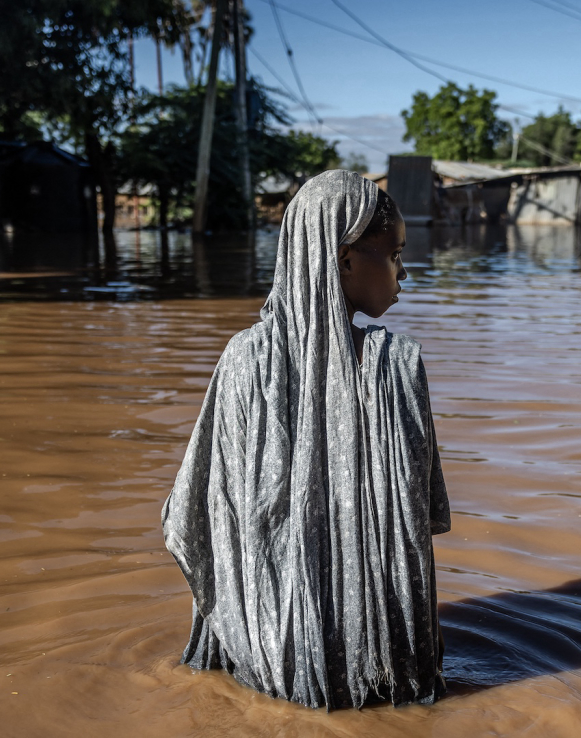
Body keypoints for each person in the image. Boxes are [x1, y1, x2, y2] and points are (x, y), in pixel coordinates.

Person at [162, 170, 451, 709]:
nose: (403, 271)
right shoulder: (396, 363)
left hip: (267, 659)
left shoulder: (242, 362)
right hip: (386, 668)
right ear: (343, 261)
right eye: (393, 255)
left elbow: (200, 514)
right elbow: (422, 520)